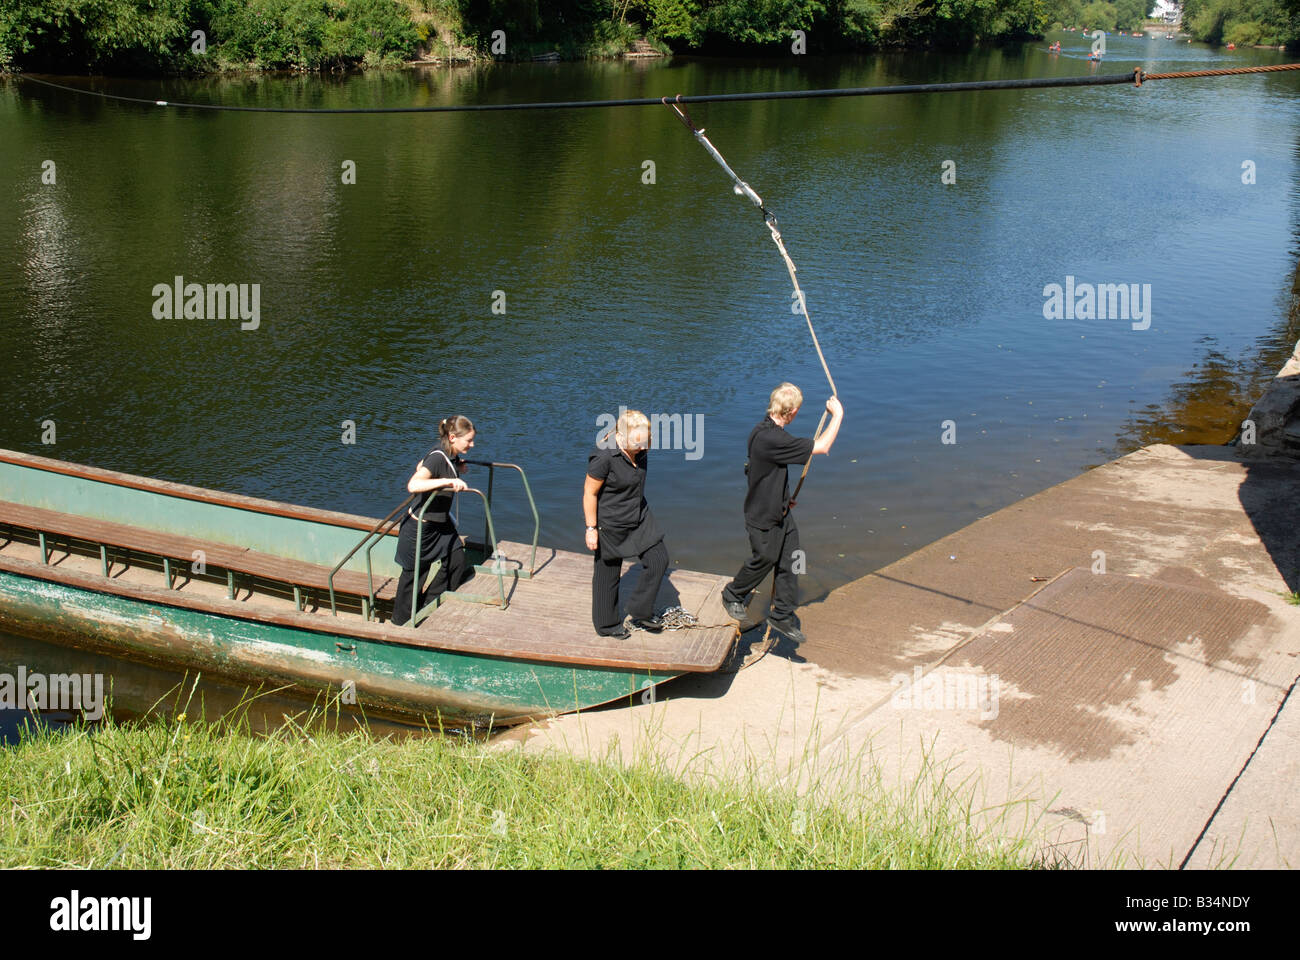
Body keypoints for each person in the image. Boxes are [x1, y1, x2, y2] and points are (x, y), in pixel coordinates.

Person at [722, 384, 844, 643]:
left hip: (780, 511)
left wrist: (783, 499)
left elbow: (768, 473)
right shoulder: (772, 439)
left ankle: (782, 615)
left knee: (790, 560)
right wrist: (838, 415)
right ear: (794, 411)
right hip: (762, 515)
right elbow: (822, 447)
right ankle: (732, 593)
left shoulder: (764, 429)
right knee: (765, 558)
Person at [584, 409, 669, 639]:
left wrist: (642, 445)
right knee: (608, 573)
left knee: (659, 559)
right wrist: (591, 528)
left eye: (646, 441)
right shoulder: (604, 457)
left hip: (639, 513)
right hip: (611, 521)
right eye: (638, 443)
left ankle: (640, 611)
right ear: (622, 437)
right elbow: (589, 494)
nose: (644, 448)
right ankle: (607, 625)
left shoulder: (641, 448)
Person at [392, 415, 475, 627]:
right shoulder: (439, 456)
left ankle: (427, 609)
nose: (472, 444)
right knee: (414, 577)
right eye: (469, 440)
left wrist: (457, 466)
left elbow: (422, 462)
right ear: (453, 436)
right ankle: (401, 624)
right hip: (420, 527)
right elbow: (413, 484)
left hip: (441, 523)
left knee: (456, 560)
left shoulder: (448, 453)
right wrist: (449, 479)